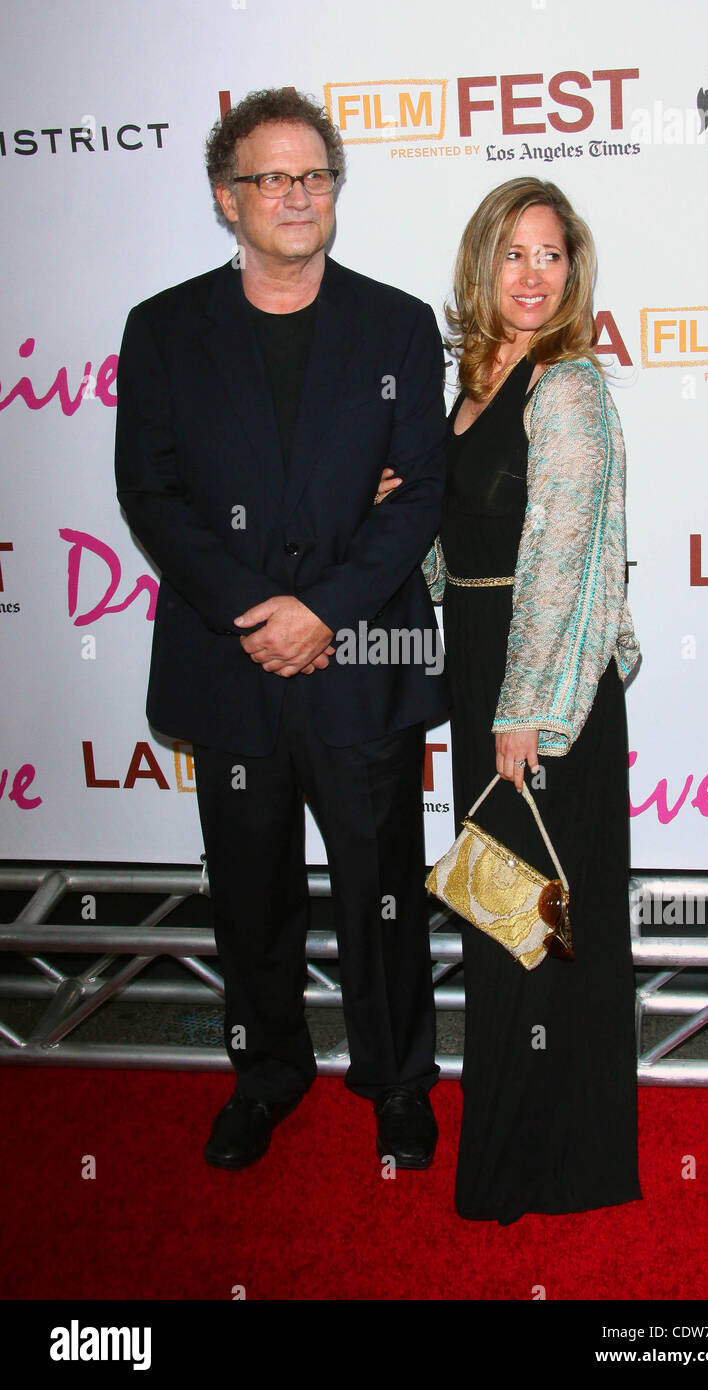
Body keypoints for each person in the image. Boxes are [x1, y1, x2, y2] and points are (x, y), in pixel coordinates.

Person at [115, 88, 448, 1173]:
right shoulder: (164, 329)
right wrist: (256, 613)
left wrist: (325, 613)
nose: (299, 194)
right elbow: (150, 492)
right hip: (232, 664)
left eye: (317, 175)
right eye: (273, 177)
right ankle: (266, 1074)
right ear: (228, 198)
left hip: (361, 669)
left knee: (382, 892)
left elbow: (417, 497)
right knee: (250, 895)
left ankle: (397, 1078)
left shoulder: (398, 323)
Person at [377, 177, 642, 1223]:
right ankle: (523, 1154)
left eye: (553, 254)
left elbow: (566, 555)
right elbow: (467, 553)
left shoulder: (567, 385)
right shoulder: (479, 381)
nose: (534, 275)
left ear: (573, 271)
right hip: (483, 658)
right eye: (514, 254)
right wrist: (409, 504)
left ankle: (553, 1164)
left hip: (546, 683)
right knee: (509, 915)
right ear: (482, 266)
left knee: (544, 923)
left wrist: (525, 705)